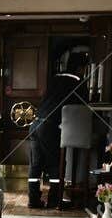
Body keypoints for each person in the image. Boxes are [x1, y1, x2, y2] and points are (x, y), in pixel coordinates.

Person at [29, 53, 89, 209]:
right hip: (50, 126)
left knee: (36, 165)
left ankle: (33, 200)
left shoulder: (55, 78)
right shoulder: (78, 81)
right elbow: (82, 107)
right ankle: (54, 201)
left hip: (35, 124)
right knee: (55, 164)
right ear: (80, 68)